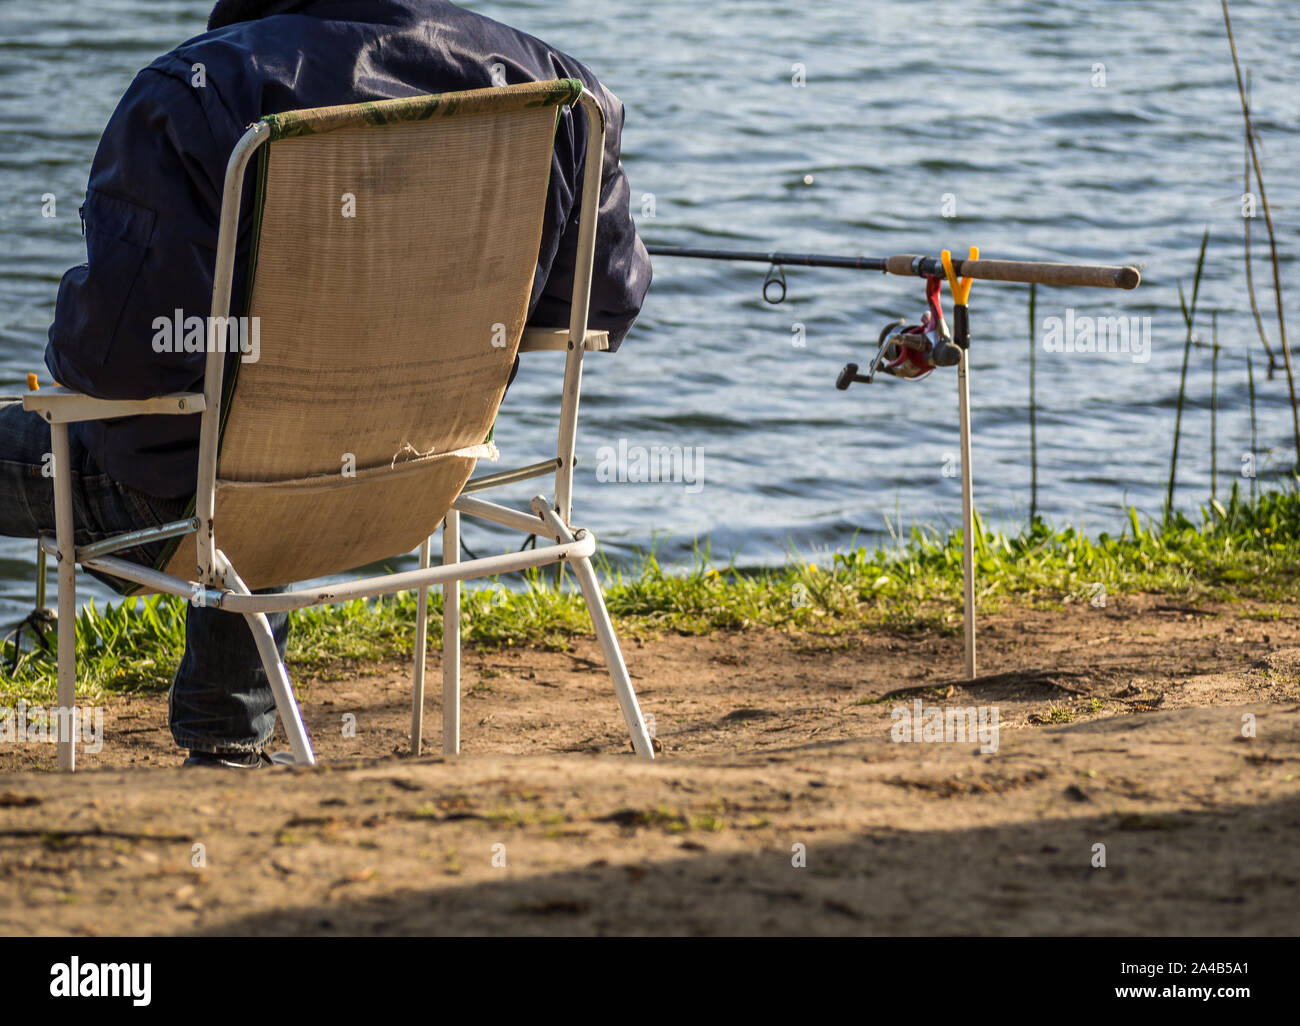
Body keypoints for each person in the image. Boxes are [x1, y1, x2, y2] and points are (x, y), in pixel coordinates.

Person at [0, 0, 651, 767]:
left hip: (191, 503)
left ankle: (230, 735)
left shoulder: (193, 94)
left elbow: (114, 366)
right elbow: (603, 304)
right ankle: (226, 739)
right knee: (244, 412)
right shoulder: (560, 88)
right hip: (419, 477)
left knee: (218, 423)